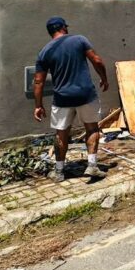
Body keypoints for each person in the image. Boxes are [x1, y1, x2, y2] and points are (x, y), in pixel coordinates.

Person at [33, 17, 109, 182]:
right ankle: (92, 166)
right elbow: (96, 60)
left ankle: (59, 171)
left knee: (61, 133)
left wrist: (38, 105)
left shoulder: (44, 52)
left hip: (62, 98)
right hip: (85, 94)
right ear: (63, 28)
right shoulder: (79, 40)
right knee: (92, 129)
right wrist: (104, 78)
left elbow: (38, 81)